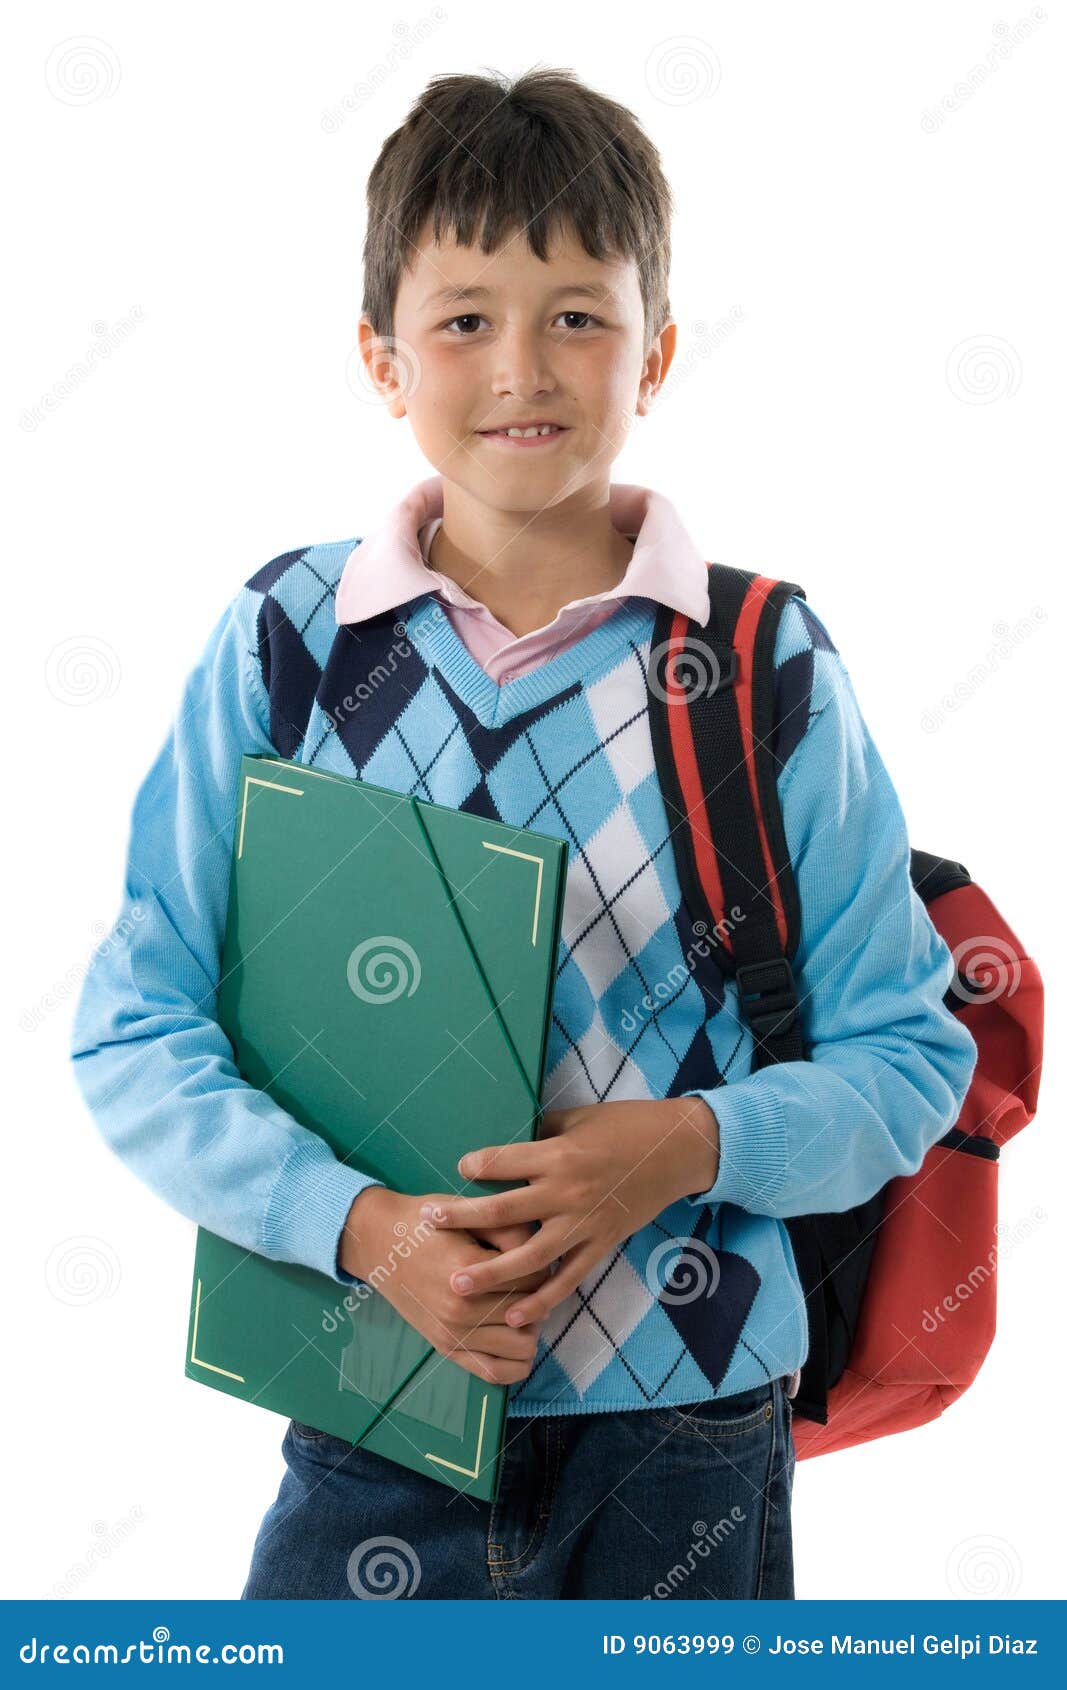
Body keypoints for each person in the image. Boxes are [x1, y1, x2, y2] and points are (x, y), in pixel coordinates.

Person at [69, 66, 978, 1601]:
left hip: (688, 1430)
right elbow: (133, 1029)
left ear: (659, 349)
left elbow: (912, 1055)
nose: (522, 366)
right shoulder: (288, 644)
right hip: (377, 1403)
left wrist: (684, 1146)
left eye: (578, 313)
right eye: (465, 317)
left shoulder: (759, 660)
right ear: (380, 356)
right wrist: (358, 1228)